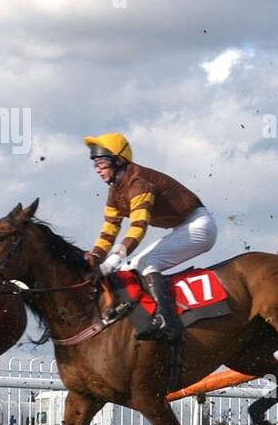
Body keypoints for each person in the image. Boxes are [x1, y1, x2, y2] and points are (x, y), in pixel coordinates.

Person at [84, 133, 217, 342]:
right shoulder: (115, 191)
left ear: (119, 160)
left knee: (145, 262)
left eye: (101, 163)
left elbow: (138, 226)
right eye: (95, 164)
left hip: (199, 226)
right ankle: (148, 317)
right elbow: (109, 230)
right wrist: (94, 257)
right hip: (183, 227)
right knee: (131, 268)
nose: (98, 170)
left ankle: (168, 322)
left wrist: (112, 260)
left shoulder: (138, 183)